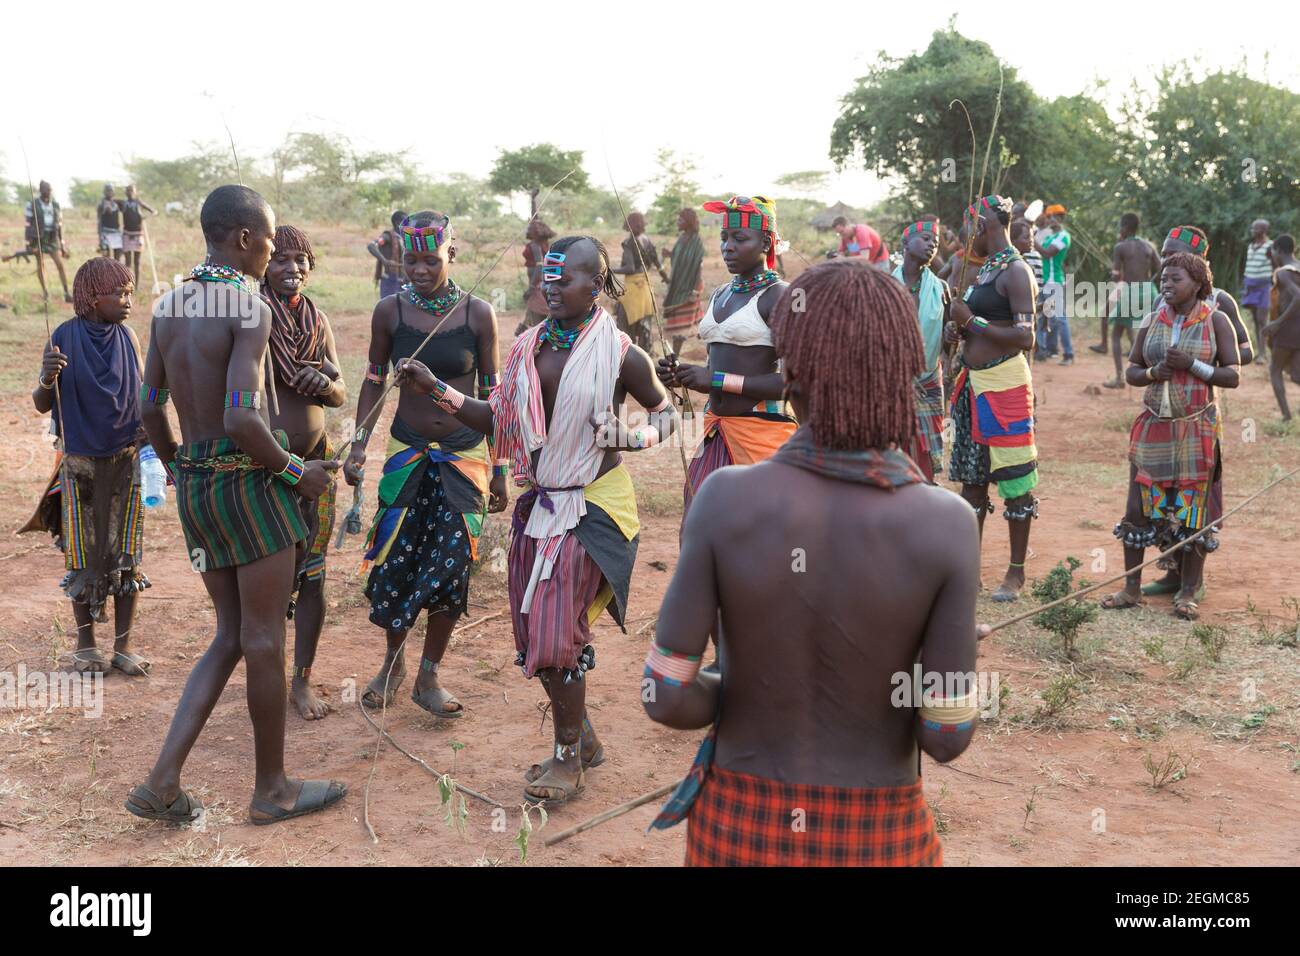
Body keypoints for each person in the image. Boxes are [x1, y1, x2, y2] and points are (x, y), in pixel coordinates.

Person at [643, 258, 980, 867]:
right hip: (877, 839)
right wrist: (939, 655)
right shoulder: (946, 525)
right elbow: (946, 736)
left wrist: (741, 681)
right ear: (904, 369)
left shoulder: (725, 499)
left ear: (788, 372)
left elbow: (666, 695)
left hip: (738, 832)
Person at [399, 235, 677, 805]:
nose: (551, 286)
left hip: (595, 504)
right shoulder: (527, 348)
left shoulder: (622, 353)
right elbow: (493, 419)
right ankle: (586, 740)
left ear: (596, 286)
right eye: (547, 278)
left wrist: (636, 435)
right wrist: (437, 390)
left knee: (553, 629)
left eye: (565, 278)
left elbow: (667, 413)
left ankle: (567, 759)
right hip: (542, 505)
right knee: (538, 631)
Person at [126, 184, 345, 826]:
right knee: (263, 638)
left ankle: (163, 782)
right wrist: (298, 472)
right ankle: (272, 789)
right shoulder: (249, 308)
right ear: (244, 239)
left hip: (197, 485)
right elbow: (244, 418)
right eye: (271, 242)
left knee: (228, 636)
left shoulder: (168, 305)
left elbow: (147, 409)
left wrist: (179, 467)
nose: (274, 253)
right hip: (249, 485)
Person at [344, 211, 507, 718]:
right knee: (398, 558)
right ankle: (392, 664)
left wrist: (499, 468)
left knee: (452, 565)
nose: (418, 268)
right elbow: (373, 380)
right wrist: (358, 444)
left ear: (450, 255)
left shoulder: (477, 314)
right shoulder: (389, 313)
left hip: (465, 457)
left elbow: (493, 394)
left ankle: (428, 675)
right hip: (407, 455)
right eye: (410, 259)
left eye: (430, 260)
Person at [21, 258, 151, 675]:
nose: (129, 300)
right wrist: (46, 377)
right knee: (83, 555)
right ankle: (85, 644)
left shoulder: (128, 336)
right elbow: (43, 404)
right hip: (79, 463)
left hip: (125, 457)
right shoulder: (62, 338)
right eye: (121, 293)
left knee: (127, 554)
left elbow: (143, 395)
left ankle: (123, 646)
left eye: (130, 292)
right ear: (94, 299)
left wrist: (150, 447)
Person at [1102, 253, 1239, 621]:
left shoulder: (1216, 321)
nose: (1166, 285)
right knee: (1138, 508)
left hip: (1196, 427)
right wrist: (1154, 373)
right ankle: (1131, 588)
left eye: (1175, 279)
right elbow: (1133, 370)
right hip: (1153, 426)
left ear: (1197, 283)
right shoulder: (1151, 320)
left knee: (1192, 511)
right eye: (1163, 279)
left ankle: (1188, 592)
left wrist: (1191, 366)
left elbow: (1232, 375)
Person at [658, 195, 797, 520]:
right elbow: (715, 367)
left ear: (765, 242)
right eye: (724, 238)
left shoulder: (779, 295)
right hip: (716, 432)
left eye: (739, 238)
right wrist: (682, 375)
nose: (728, 247)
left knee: (760, 544)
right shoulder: (721, 294)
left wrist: (716, 380)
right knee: (700, 533)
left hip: (762, 436)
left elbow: (791, 383)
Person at [262, 225, 348, 720]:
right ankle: (267, 674)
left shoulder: (318, 319)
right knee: (270, 580)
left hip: (316, 458)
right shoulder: (250, 318)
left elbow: (339, 390)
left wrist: (323, 383)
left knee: (313, 575)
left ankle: (302, 680)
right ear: (264, 264)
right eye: (281, 259)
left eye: (301, 260)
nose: (292, 268)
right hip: (268, 466)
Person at [1141, 225, 1253, 600]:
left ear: (1200, 264)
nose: (1167, 260)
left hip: (1200, 411)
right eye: (1165, 254)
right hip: (1162, 410)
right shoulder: (1161, 299)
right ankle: (1171, 571)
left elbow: (1244, 353)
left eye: (1176, 255)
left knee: (1195, 496)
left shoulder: (1221, 302)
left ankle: (1193, 582)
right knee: (1162, 494)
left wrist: (1199, 355)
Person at [945, 196, 1039, 602]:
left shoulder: (1016, 272)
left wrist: (971, 321)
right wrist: (959, 333)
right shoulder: (985, 271)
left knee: (1015, 481)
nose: (964, 238)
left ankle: (1015, 575)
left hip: (1004, 385)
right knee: (973, 481)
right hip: (972, 384)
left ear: (983, 225)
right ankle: (970, 571)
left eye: (968, 228)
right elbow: (978, 326)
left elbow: (1025, 337)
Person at [892, 220, 952, 481]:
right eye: (926, 239)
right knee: (893, 441)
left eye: (935, 243)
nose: (931, 245)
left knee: (926, 447)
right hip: (891, 378)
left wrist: (952, 333)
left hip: (929, 378)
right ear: (905, 243)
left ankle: (924, 493)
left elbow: (949, 342)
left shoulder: (940, 289)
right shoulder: (883, 284)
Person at [1102, 214, 1161, 388]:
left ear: (1125, 228)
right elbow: (1161, 267)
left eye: (1120, 226)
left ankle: (1120, 378)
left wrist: (1113, 277)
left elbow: (1115, 275)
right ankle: (1151, 374)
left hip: (1130, 291)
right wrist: (1149, 282)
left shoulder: (1120, 247)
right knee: (1145, 332)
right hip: (1149, 291)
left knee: (1115, 335)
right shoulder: (1148, 246)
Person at [612, 211, 667, 351]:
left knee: (625, 325)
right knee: (644, 325)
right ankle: (645, 356)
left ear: (628, 225)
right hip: (646, 290)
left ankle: (627, 356)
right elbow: (658, 264)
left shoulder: (629, 242)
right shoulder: (647, 240)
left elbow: (630, 268)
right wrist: (666, 278)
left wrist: (610, 270)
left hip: (633, 290)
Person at [1263, 234, 1300, 421]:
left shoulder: (1284, 273)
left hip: (1287, 328)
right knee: (1296, 374)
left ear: (1278, 249)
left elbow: (1298, 296)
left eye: (1273, 252)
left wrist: (1277, 322)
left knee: (1275, 370)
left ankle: (1286, 416)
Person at [661, 208, 706, 356]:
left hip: (690, 286)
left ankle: (675, 356)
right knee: (683, 322)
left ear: (688, 222)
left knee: (682, 323)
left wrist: (695, 290)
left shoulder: (696, 242)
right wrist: (670, 254)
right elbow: (679, 258)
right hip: (678, 285)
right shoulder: (681, 238)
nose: (677, 222)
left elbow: (698, 266)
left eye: (681, 219)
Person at [1034, 203, 1072, 365]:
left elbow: (1048, 253)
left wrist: (1031, 239)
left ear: (1061, 218)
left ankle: (1068, 354)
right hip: (1045, 282)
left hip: (1054, 282)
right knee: (1042, 317)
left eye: (1056, 217)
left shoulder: (1063, 236)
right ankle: (1042, 350)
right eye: (1050, 217)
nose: (1053, 220)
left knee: (1059, 319)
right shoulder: (1050, 237)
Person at [24, 180, 72, 303]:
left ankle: (66, 293)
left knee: (60, 264)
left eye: (50, 189)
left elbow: (59, 225)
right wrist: (28, 243)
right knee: (41, 265)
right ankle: (46, 293)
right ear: (41, 190)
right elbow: (28, 224)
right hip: (38, 238)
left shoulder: (56, 205)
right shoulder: (32, 204)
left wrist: (62, 244)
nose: (49, 192)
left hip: (52, 237)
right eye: (46, 189)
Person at [518, 219, 557, 335]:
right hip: (541, 282)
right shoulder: (544, 245)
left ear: (534, 232)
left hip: (537, 285)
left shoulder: (535, 245)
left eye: (530, 228)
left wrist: (531, 288)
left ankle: (538, 342)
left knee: (538, 318)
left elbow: (539, 266)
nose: (527, 230)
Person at [1241, 218, 1273, 356]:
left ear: (1264, 230)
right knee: (1255, 319)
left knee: (1262, 319)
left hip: (1263, 286)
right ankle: (1259, 352)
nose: (1252, 231)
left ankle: (1263, 354)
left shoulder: (1270, 246)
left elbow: (1276, 265)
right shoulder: (1251, 246)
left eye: (1255, 229)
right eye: (1252, 228)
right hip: (1250, 285)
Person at [120, 185, 156, 289]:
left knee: (137, 261)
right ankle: (127, 283)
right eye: (128, 191)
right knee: (128, 262)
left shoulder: (138, 203)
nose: (130, 192)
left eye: (132, 191)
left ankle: (137, 286)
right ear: (125, 193)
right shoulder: (123, 203)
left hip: (137, 235)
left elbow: (154, 211)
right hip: (127, 234)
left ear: (135, 192)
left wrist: (145, 217)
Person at [368, 210, 407, 301]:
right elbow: (371, 246)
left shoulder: (405, 237)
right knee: (389, 307)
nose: (407, 224)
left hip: (404, 279)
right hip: (390, 278)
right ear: (398, 223)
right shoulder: (387, 236)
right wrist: (385, 261)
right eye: (405, 221)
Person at [98, 185, 124, 261]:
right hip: (105, 233)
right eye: (107, 191)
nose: (109, 192)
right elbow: (99, 221)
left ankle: (117, 273)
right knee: (106, 259)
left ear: (113, 193)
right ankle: (107, 273)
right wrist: (100, 237)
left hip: (116, 232)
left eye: (111, 191)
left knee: (117, 258)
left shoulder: (117, 204)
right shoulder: (101, 205)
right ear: (104, 192)